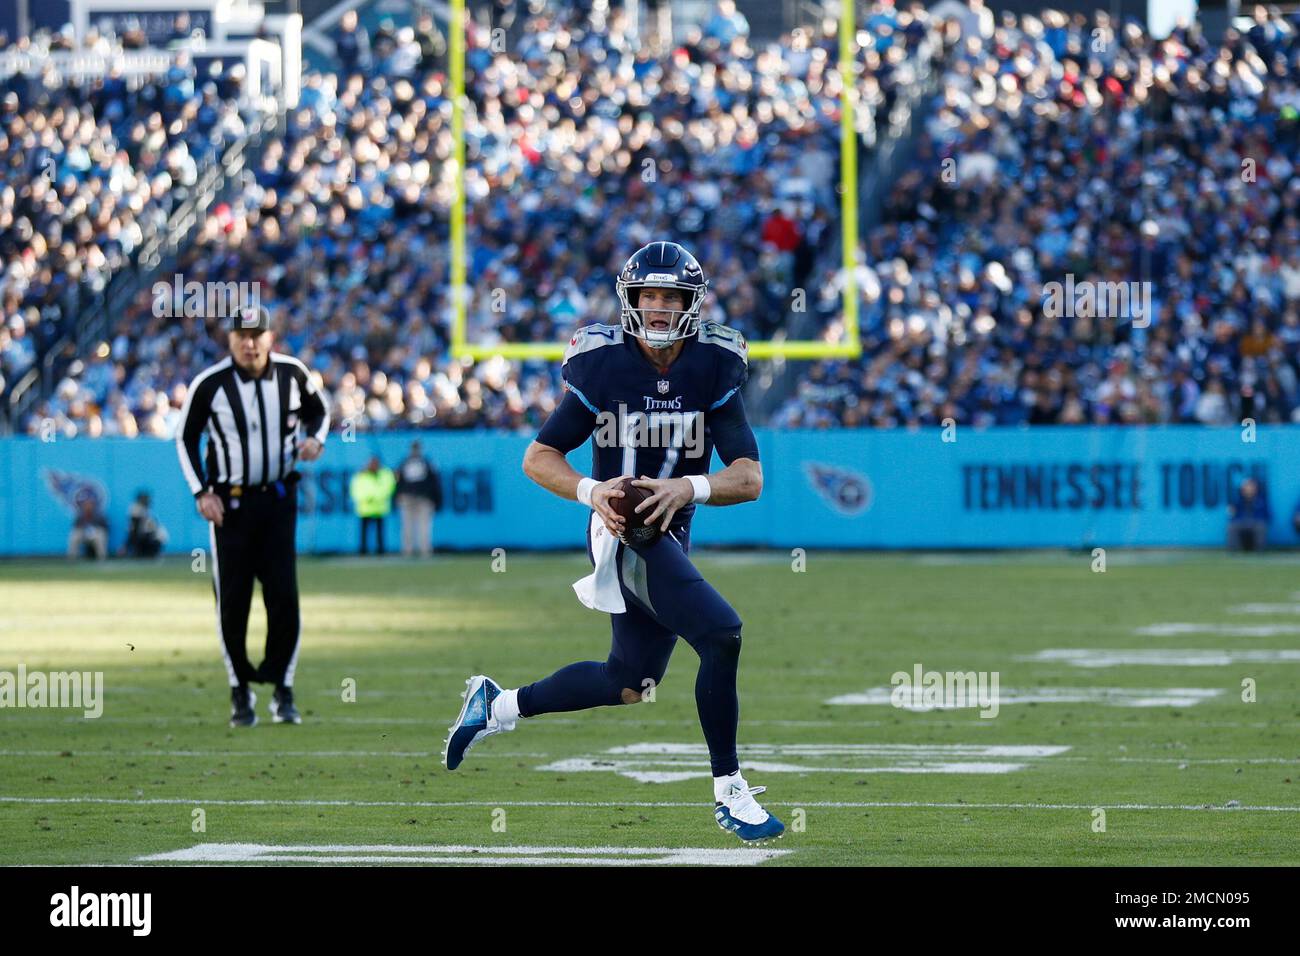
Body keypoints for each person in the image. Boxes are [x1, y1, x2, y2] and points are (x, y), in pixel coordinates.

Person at [442, 241, 783, 844]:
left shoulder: (713, 366)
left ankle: (494, 706)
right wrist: (592, 492)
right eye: (646, 295)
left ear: (690, 303)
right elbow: (539, 456)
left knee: (629, 681)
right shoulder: (602, 365)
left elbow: (749, 478)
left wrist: (689, 486)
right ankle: (731, 791)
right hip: (623, 528)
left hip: (669, 531)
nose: (656, 308)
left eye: (669, 296)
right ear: (630, 300)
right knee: (722, 634)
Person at [175, 306, 330, 727]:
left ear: (270, 337)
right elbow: (185, 437)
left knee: (284, 598)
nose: (249, 342)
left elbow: (321, 410)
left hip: (278, 501)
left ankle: (283, 687)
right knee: (233, 601)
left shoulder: (292, 373)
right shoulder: (210, 384)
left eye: (256, 334)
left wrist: (316, 439)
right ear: (229, 339)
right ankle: (239, 690)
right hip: (231, 507)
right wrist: (201, 492)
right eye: (241, 334)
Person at [395, 440, 442, 557]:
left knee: (423, 527)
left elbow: (434, 482)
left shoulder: (426, 463)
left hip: (423, 499)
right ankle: (408, 551)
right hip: (408, 499)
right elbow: (398, 482)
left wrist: (436, 499)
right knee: (408, 527)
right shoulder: (405, 463)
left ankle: (424, 551)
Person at [350, 455, 396, 555]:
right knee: (364, 533)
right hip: (365, 508)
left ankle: (381, 551)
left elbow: (389, 487)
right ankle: (363, 551)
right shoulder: (361, 475)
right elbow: (355, 490)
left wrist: (377, 497)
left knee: (380, 532)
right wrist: (367, 498)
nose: (373, 465)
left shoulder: (385, 474)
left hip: (380, 508)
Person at [1228, 477, 1270, 551]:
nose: (1249, 489)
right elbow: (1232, 516)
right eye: (1247, 487)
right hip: (1241, 522)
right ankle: (1234, 550)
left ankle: (1259, 550)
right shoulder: (1238, 500)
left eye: (1251, 486)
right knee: (1232, 526)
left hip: (1256, 522)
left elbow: (1267, 515)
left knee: (1261, 526)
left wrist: (1256, 520)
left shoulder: (1261, 500)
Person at [124, 490, 168, 557]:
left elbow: (139, 532)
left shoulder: (144, 512)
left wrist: (125, 546)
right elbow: (134, 531)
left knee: (141, 537)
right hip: (147, 539)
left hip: (154, 541)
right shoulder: (137, 508)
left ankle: (151, 554)